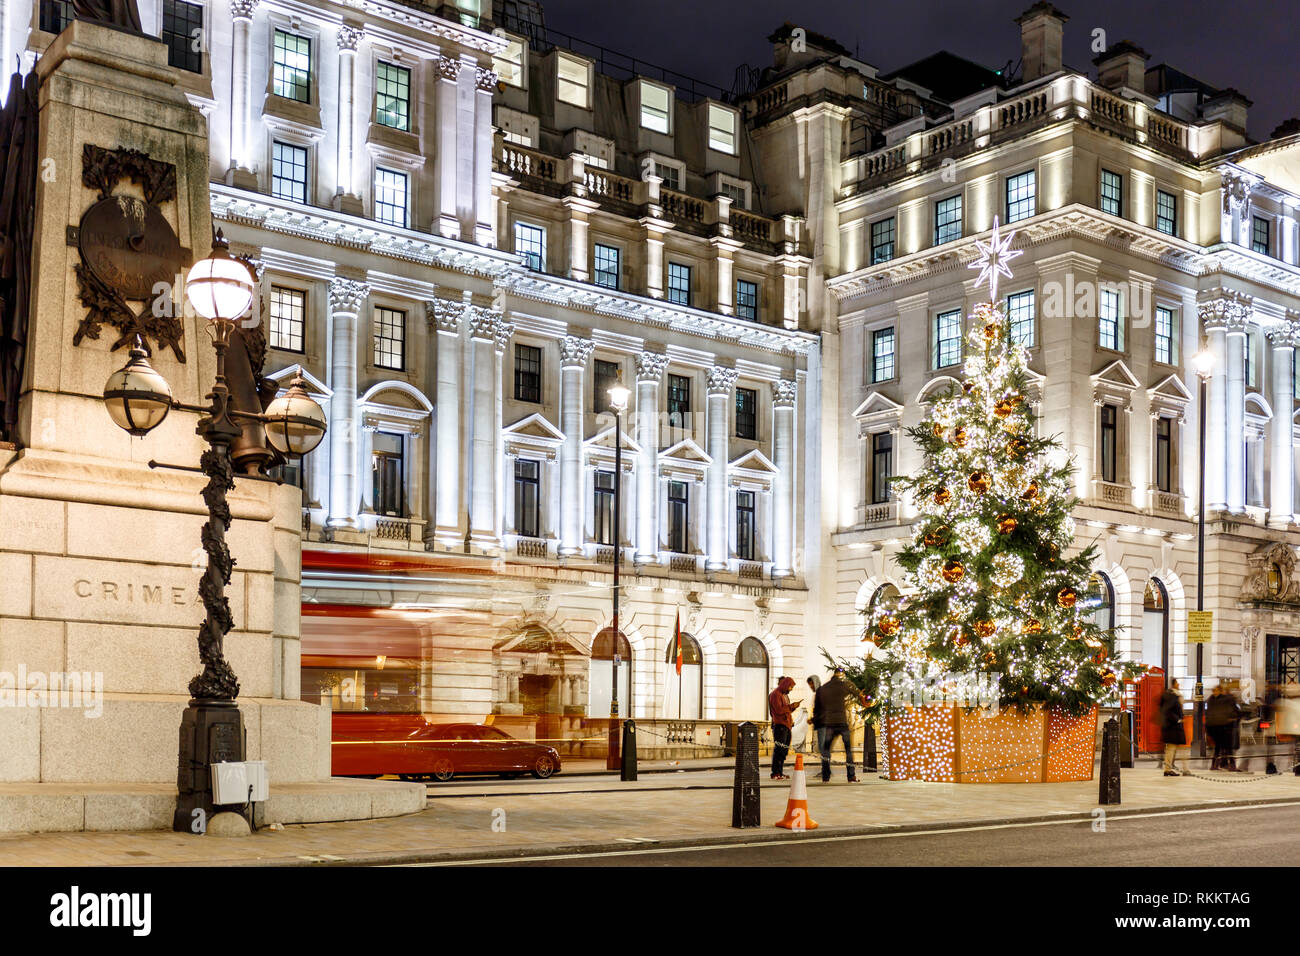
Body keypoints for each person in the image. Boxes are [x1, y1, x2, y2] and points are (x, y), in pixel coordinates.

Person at [814, 667, 858, 783]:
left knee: (826, 750)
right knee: (848, 750)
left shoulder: (823, 688)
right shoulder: (844, 685)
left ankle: (825, 776)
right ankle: (851, 776)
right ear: (841, 675)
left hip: (829, 723)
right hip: (842, 722)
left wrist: (815, 721)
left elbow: (817, 708)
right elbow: (856, 692)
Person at [767, 676, 799, 780]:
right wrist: (791, 706)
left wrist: (793, 707)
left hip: (787, 725)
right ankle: (775, 773)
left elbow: (786, 711)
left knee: (784, 750)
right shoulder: (775, 695)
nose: (791, 689)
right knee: (779, 749)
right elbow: (778, 711)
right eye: (790, 687)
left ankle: (780, 772)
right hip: (780, 725)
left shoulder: (784, 695)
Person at [1205, 683, 1241, 771]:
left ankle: (1215, 765)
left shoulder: (1210, 700)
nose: (1214, 692)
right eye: (1214, 690)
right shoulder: (1226, 699)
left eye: (1215, 690)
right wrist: (1235, 718)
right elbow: (1234, 711)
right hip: (1223, 727)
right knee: (1228, 747)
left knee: (1219, 747)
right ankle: (1231, 766)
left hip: (1214, 727)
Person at [1159, 679, 1189, 776]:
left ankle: (1170, 768)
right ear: (1174, 684)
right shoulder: (1173, 696)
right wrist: (1178, 719)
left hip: (1169, 726)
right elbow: (1167, 711)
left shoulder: (1168, 695)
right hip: (1173, 727)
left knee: (1172, 748)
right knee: (1176, 748)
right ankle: (1182, 769)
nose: (1179, 684)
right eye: (1177, 683)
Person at [806, 675, 823, 755]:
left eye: (812, 684)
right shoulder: (817, 694)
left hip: (823, 724)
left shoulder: (821, 693)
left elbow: (822, 711)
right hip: (819, 724)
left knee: (822, 749)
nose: (811, 686)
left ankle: (825, 766)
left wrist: (812, 720)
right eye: (809, 684)